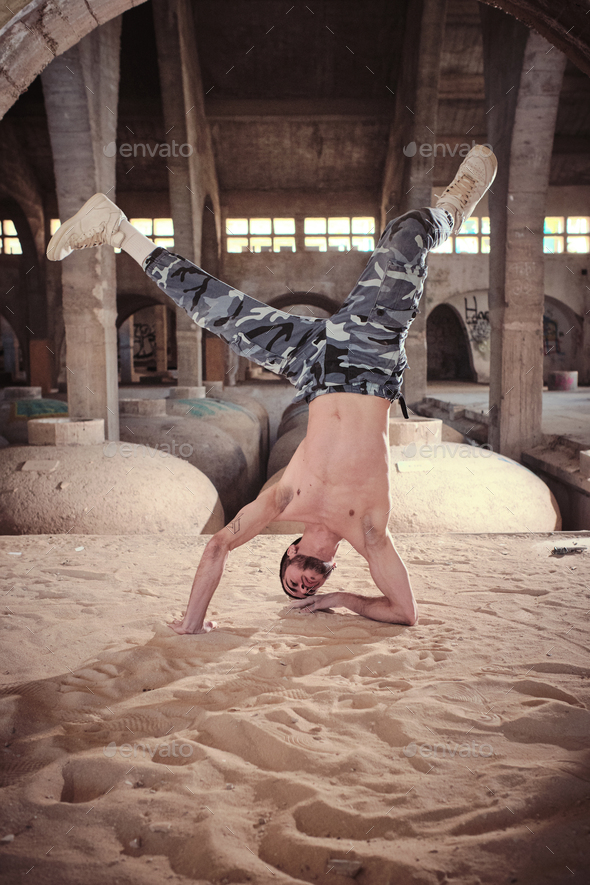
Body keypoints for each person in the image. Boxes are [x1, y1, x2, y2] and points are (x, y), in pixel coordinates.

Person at [47, 144, 497, 634]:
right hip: (371, 358)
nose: (305, 586)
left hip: (313, 366)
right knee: (407, 233)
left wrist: (192, 623)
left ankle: (116, 229)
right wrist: (338, 600)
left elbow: (218, 545)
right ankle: (453, 210)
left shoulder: (284, 499)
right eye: (308, 588)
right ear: (328, 569)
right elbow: (405, 613)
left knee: (217, 311)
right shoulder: (369, 534)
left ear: (291, 550)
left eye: (294, 583)